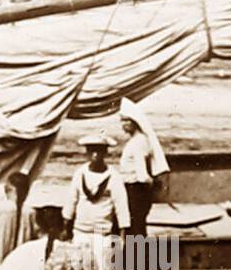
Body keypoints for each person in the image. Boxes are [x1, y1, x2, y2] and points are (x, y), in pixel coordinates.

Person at [64, 132, 129, 245]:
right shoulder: (80, 174)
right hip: (81, 232)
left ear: (105, 153)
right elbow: (71, 202)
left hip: (102, 235)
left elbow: (121, 208)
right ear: (87, 153)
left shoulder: (114, 177)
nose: (95, 154)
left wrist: (122, 237)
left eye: (99, 150)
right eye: (91, 150)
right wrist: (65, 228)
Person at [118, 98, 169, 241]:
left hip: (135, 190)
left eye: (126, 120)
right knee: (135, 228)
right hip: (134, 189)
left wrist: (147, 186)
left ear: (134, 121)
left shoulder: (138, 142)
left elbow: (142, 174)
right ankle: (135, 260)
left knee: (135, 228)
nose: (123, 124)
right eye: (121, 120)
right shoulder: (136, 141)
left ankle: (138, 261)